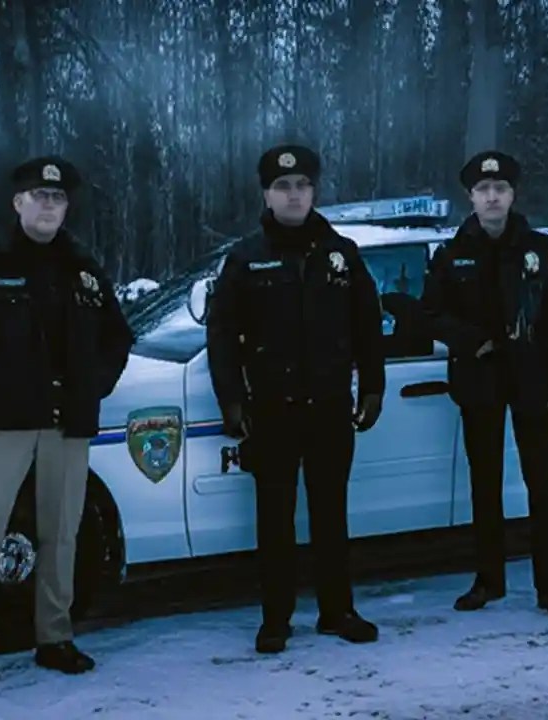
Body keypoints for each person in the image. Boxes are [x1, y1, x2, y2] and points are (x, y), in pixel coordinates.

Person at [0, 155, 133, 692]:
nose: (49, 206)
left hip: (67, 423)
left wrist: (94, 385)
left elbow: (117, 338)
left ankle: (55, 637)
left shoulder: (84, 268)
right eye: (40, 197)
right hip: (2, 422)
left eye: (58, 198)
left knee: (61, 534)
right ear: (18, 202)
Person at [206, 144, 386, 654]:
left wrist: (372, 386)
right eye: (283, 186)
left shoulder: (340, 253)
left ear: (314, 191)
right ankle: (275, 619)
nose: (293, 194)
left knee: (332, 515)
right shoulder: (245, 258)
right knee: (275, 519)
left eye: (302, 185)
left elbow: (368, 325)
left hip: (330, 406)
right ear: (267, 193)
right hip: (272, 410)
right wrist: (232, 401)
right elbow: (221, 335)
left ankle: (337, 610)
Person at [419, 150, 548, 622]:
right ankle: (488, 581)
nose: (492, 197)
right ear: (470, 197)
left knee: (543, 487)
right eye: (483, 190)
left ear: (512, 195)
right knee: (484, 486)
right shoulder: (452, 255)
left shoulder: (544, 252)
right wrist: (475, 341)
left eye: (501, 189)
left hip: (535, 381)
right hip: (480, 382)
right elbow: (431, 314)